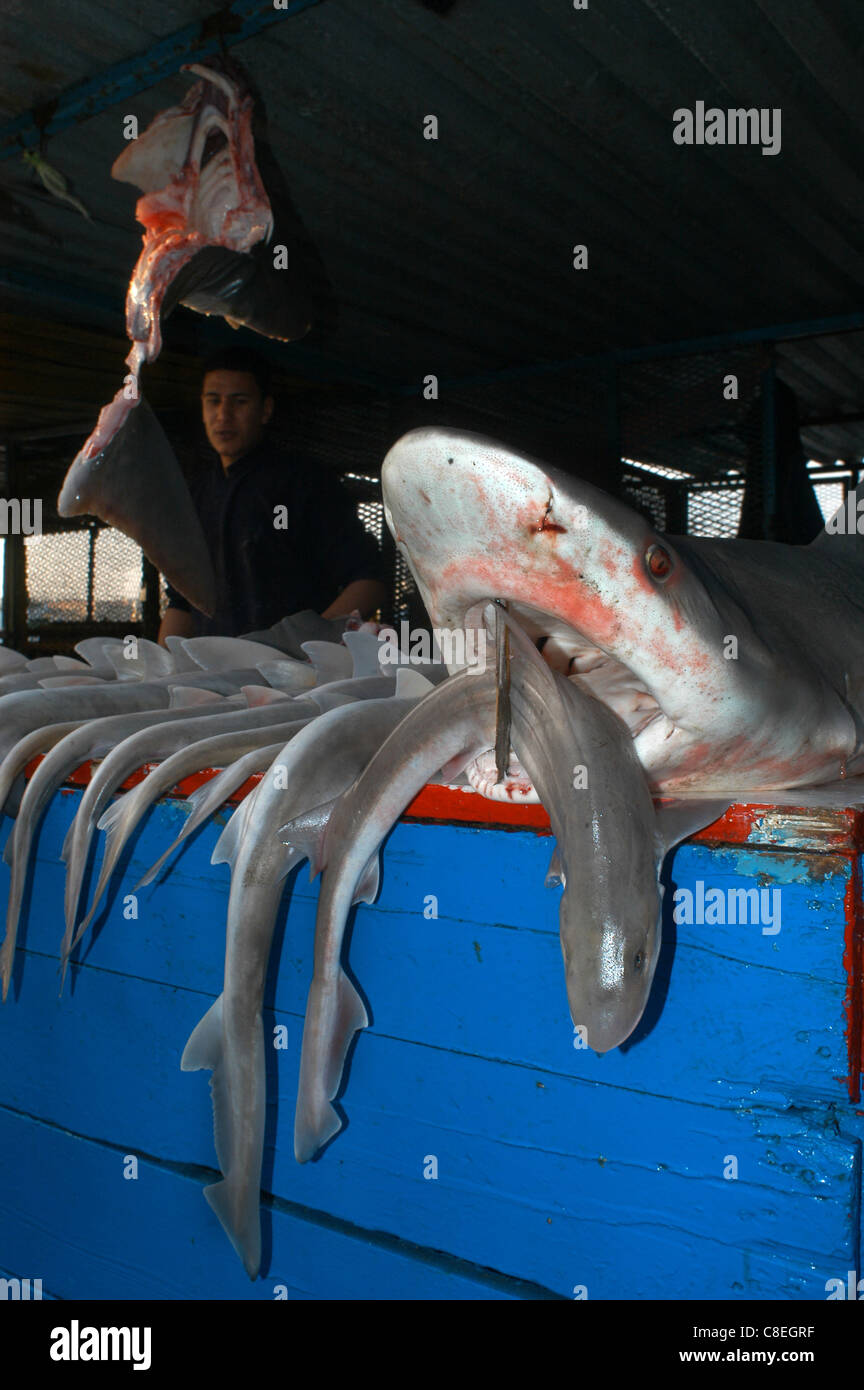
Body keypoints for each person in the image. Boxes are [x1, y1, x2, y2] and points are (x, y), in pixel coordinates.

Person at [158, 347, 389, 642]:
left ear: (265, 409)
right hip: (213, 680)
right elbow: (182, 604)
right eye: (213, 401)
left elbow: (369, 581)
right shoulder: (194, 496)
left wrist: (308, 650)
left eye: (239, 402)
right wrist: (161, 671)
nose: (223, 415)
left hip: (294, 681)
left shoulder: (305, 483)